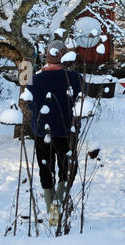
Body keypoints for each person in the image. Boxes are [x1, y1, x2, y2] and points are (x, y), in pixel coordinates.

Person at [28, 45, 85, 226]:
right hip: (67, 131)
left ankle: (51, 209)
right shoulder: (75, 78)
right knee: (68, 169)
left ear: (46, 57)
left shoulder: (33, 80)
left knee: (45, 168)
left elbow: (28, 104)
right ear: (66, 56)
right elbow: (82, 99)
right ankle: (57, 204)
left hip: (41, 130)